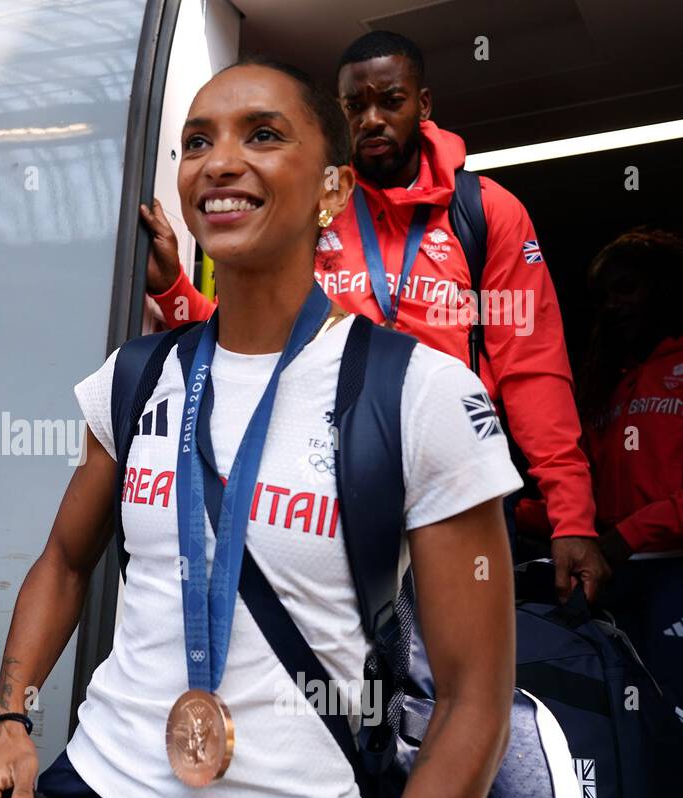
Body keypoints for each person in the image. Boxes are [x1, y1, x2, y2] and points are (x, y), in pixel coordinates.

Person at [0, 57, 518, 798]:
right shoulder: (135, 375)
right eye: (196, 142)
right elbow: (66, 561)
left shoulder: (419, 394)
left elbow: (475, 702)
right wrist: (8, 716)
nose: (219, 161)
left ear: (332, 190)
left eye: (262, 134)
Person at [141, 30, 608, 605]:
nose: (372, 119)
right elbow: (252, 337)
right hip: (322, 476)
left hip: (454, 477)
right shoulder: (312, 209)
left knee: (456, 672)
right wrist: (172, 290)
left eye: (391, 100)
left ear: (424, 104)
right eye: (354, 106)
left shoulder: (484, 212)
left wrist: (572, 516)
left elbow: (533, 368)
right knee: (337, 668)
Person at [577, 229, 683, 696]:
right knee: (630, 726)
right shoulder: (607, 383)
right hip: (616, 580)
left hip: (673, 575)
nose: (612, 307)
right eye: (602, 298)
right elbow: (590, 498)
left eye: (625, 289)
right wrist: (509, 511)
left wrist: (630, 534)